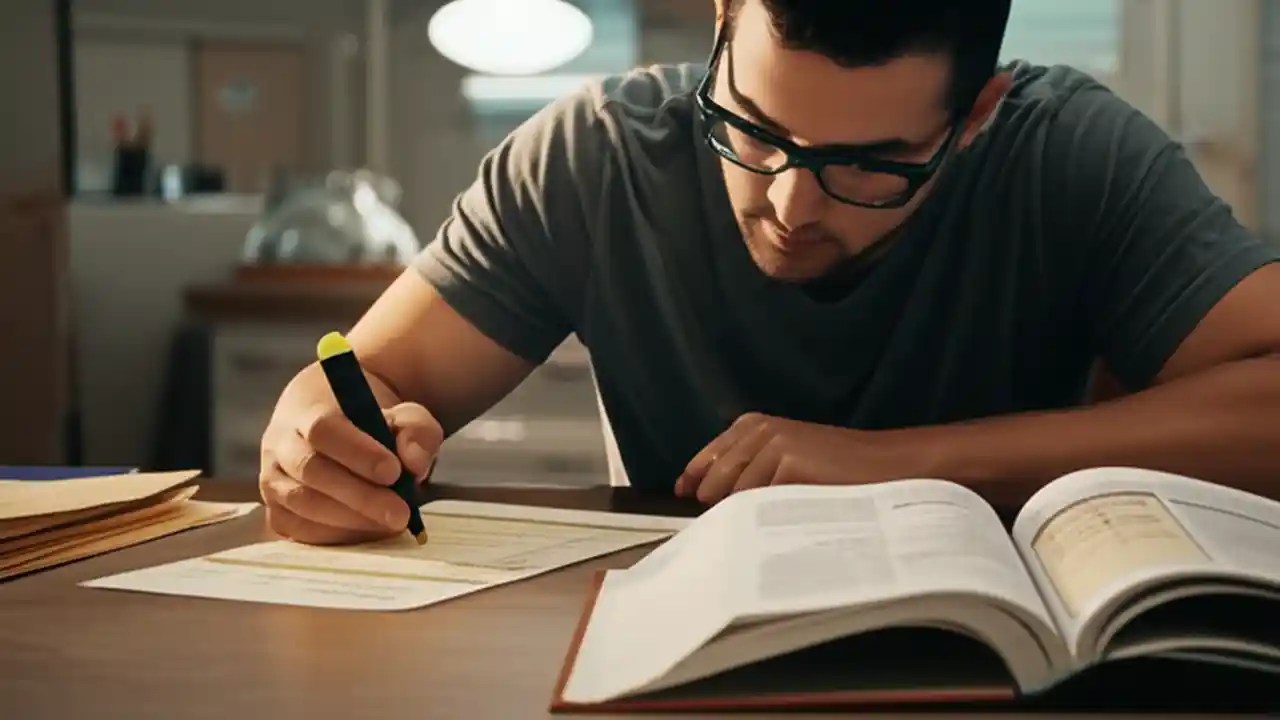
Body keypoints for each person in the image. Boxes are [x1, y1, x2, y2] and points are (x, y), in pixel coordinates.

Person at [258, 0, 1280, 545]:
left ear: (975, 117)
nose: (791, 208)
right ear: (721, 21)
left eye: (870, 166)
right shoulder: (596, 155)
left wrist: (894, 460)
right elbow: (366, 383)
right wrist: (316, 440)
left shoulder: (1070, 153)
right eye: (749, 129)